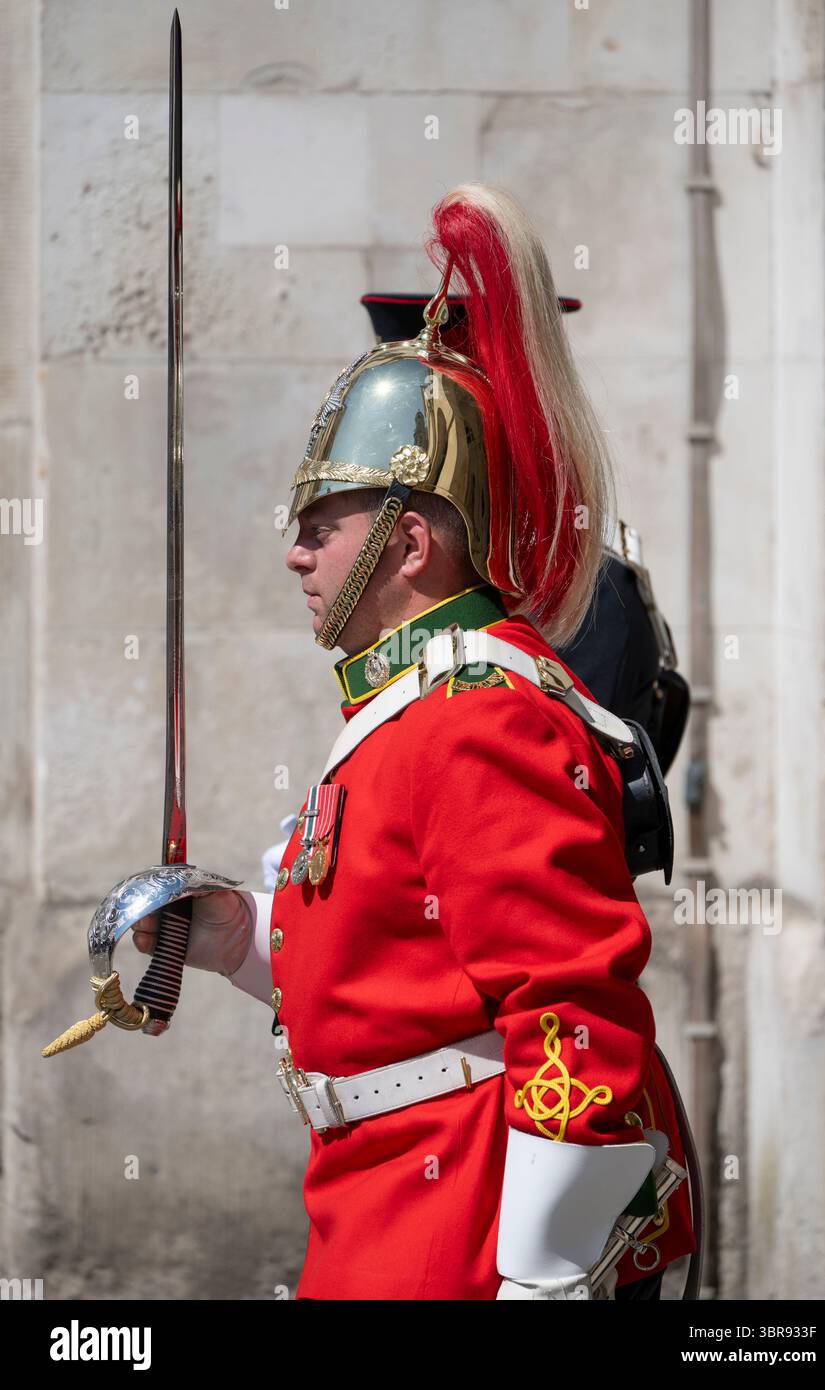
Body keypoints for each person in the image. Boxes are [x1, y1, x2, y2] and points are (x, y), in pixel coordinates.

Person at [134, 182, 697, 1301]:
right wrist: (236, 932)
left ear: (409, 543)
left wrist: (542, 1276)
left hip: (462, 1218)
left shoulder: (478, 715)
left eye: (319, 526)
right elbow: (397, 981)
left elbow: (574, 1019)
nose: (295, 557)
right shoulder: (404, 707)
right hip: (383, 1198)